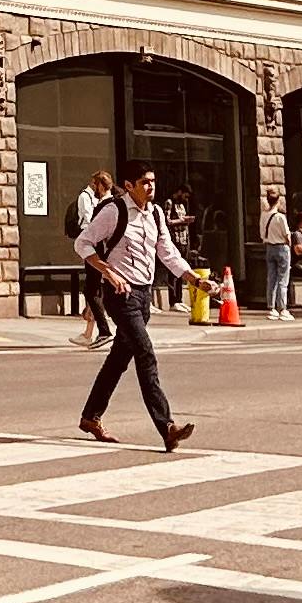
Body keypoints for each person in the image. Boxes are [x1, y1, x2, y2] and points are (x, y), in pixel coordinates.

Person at [78, 162, 205, 449]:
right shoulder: (114, 211)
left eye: (153, 181)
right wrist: (108, 272)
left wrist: (195, 279)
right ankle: (167, 427)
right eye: (144, 182)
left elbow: (168, 253)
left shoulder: (157, 214)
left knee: (118, 361)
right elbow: (83, 243)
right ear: (128, 185)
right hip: (120, 296)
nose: (151, 187)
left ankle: (90, 416)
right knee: (145, 353)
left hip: (143, 296)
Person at [66, 169, 113, 345]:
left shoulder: (103, 205)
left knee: (92, 291)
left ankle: (104, 330)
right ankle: (89, 333)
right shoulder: (111, 203)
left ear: (100, 185)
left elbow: (91, 226)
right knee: (95, 292)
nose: (93, 187)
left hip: (97, 252)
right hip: (102, 252)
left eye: (95, 183)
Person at [258, 192, 295, 322]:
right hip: (282, 247)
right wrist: (289, 245)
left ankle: (271, 307)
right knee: (283, 279)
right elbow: (287, 235)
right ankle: (283, 308)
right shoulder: (280, 217)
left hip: (269, 247)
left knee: (271, 278)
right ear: (278, 201)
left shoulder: (263, 215)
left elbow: (262, 234)